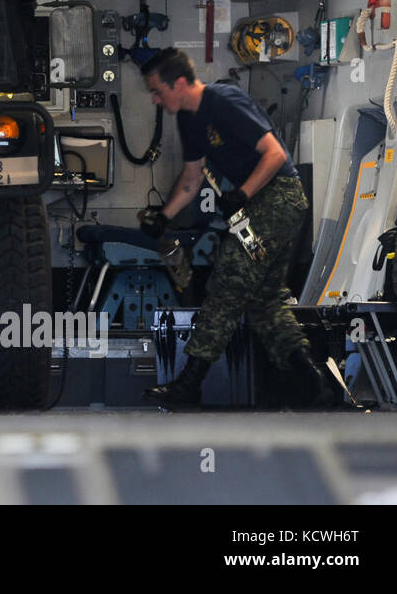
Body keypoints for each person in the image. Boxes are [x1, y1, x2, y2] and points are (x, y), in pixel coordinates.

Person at [138, 48, 329, 407]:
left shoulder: (223, 102)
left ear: (179, 83)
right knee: (263, 300)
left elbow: (275, 155)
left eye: (157, 91)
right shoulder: (188, 119)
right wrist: (163, 216)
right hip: (260, 204)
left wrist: (241, 193)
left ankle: (188, 386)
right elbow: (192, 179)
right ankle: (311, 383)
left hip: (279, 197)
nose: (155, 99)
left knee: (227, 287)